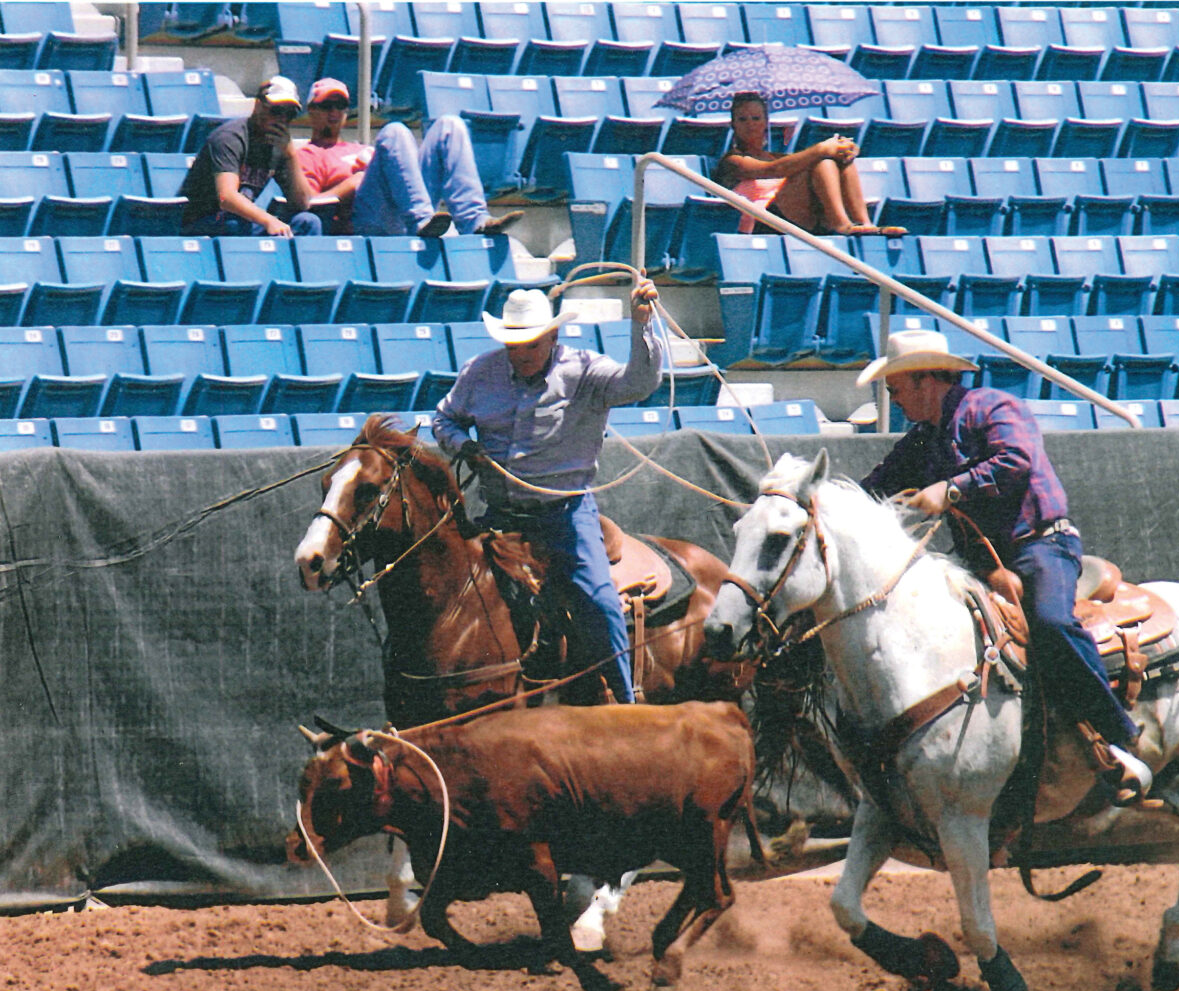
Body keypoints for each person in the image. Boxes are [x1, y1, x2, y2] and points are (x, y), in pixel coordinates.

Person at [856, 329, 1155, 803]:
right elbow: (874, 487)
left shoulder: (993, 407)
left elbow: (1015, 459)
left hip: (1042, 546)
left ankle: (1119, 735)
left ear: (924, 381)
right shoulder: (921, 441)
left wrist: (950, 490)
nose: (894, 401)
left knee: (1053, 622)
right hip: (984, 562)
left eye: (895, 390)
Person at [430, 281, 663, 704]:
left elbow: (638, 383)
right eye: (513, 345)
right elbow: (443, 419)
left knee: (599, 599)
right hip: (499, 515)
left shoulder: (584, 371)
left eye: (530, 345)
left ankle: (627, 701)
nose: (520, 355)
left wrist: (642, 325)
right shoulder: (480, 372)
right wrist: (465, 446)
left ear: (554, 336)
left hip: (564, 517)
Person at [294, 78, 521, 238]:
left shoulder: (357, 147)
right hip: (366, 221)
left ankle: (476, 221)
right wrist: (349, 185)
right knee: (395, 131)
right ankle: (421, 221)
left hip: (400, 209)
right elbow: (308, 208)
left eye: (341, 106)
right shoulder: (307, 154)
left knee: (450, 126)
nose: (334, 112)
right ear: (312, 110)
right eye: (327, 106)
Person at [714, 91, 905, 238]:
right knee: (821, 161)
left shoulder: (777, 155)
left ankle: (864, 223)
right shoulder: (733, 160)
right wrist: (821, 149)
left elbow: (786, 164)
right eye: (742, 119)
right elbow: (775, 169)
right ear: (733, 124)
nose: (750, 124)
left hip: (801, 215)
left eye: (756, 118)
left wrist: (846, 150)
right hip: (766, 222)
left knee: (839, 160)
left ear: (766, 122)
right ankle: (841, 225)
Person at [178, 75, 321, 237]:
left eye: (289, 114)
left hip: (240, 222)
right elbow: (226, 197)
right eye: (277, 111)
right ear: (258, 106)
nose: (282, 120)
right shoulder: (230, 138)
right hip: (201, 223)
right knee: (236, 223)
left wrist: (290, 155)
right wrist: (268, 220)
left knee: (308, 222)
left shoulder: (278, 144)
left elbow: (301, 203)